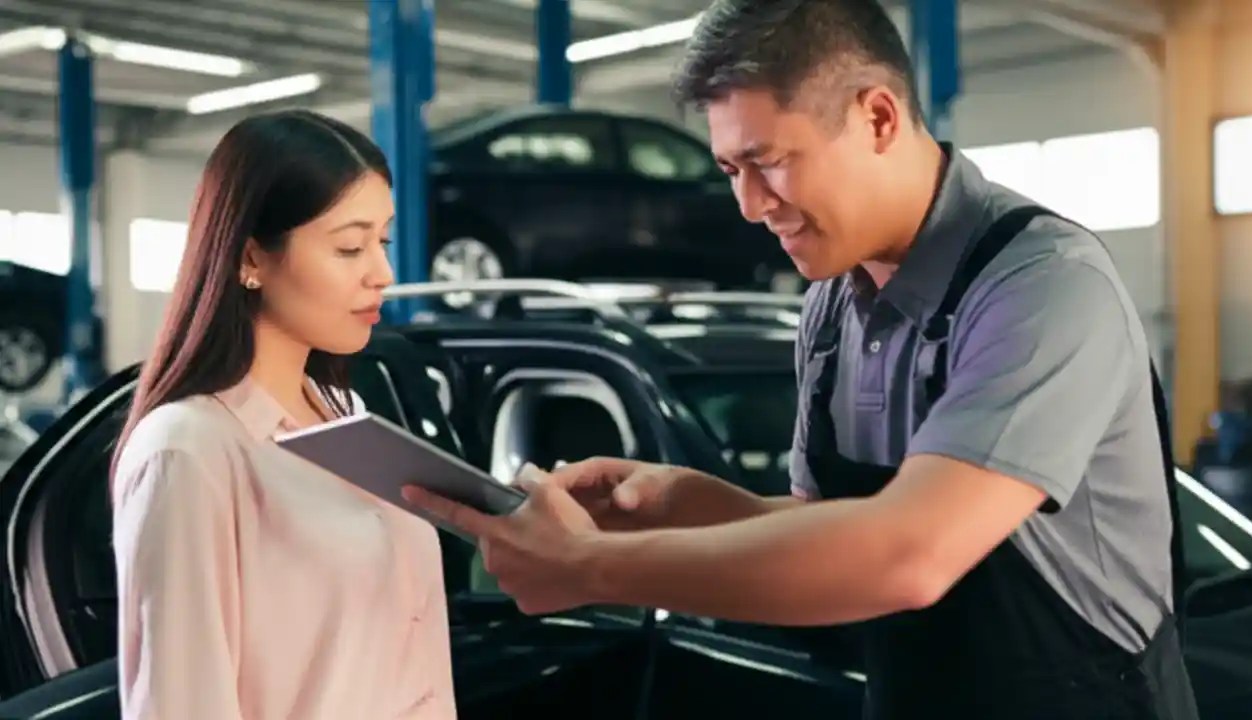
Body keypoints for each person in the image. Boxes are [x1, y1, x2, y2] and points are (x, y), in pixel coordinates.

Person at [401, 1, 1200, 718]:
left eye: (770, 161)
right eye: (730, 171)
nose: (750, 206)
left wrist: (596, 568)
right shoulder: (828, 306)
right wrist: (690, 502)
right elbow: (837, 527)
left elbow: (909, 552)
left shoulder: (1041, 286)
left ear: (879, 117)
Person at [111, 110, 455, 719]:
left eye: (383, 241)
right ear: (250, 257)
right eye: (350, 246)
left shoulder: (345, 412)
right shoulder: (189, 451)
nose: (383, 273)